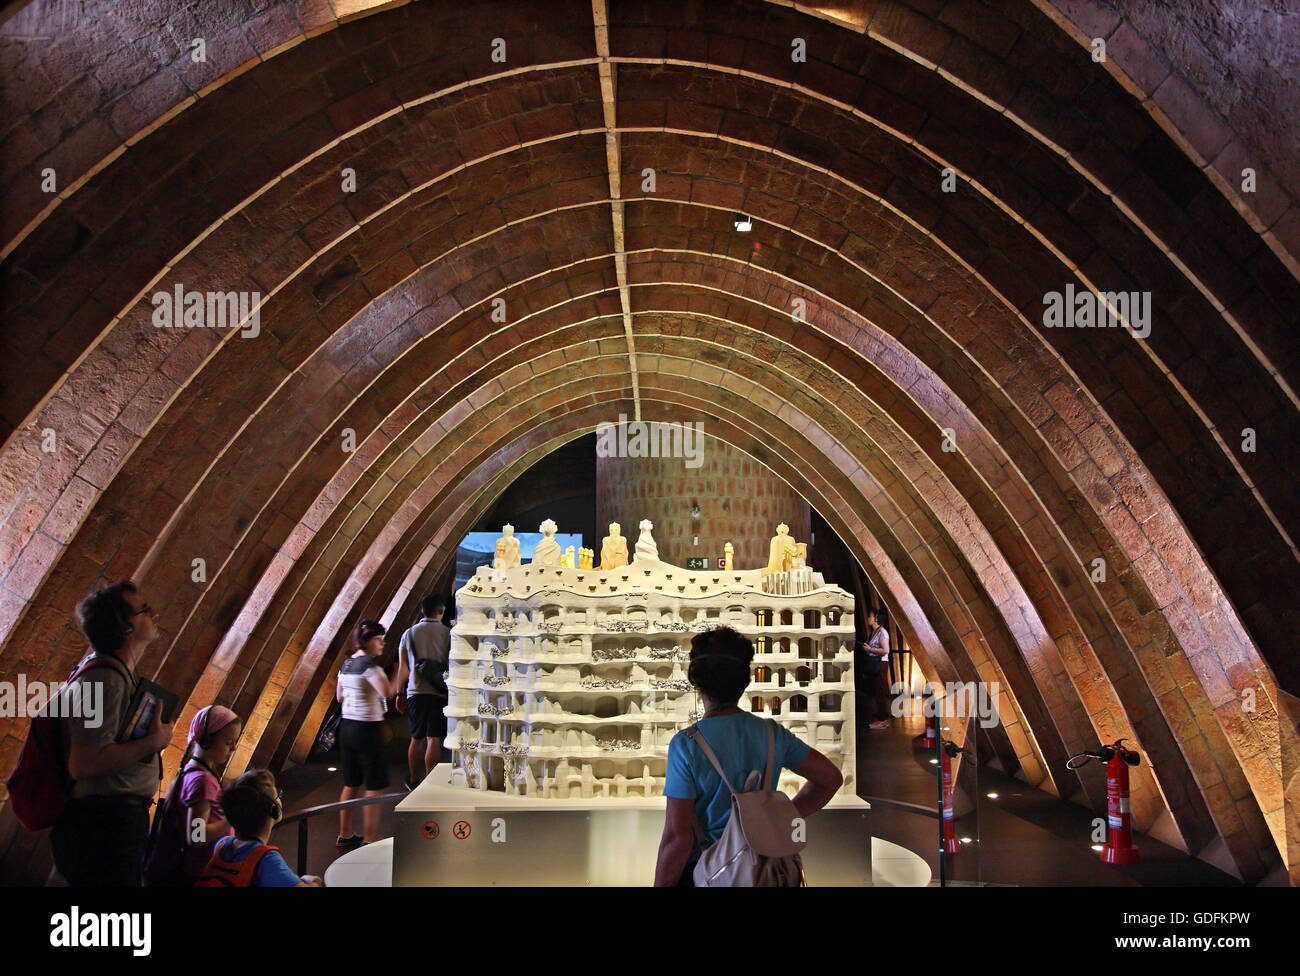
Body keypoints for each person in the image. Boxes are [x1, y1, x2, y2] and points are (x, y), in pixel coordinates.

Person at [654, 626, 843, 886]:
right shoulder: (772, 733)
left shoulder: (686, 744)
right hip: (762, 869)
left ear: (696, 681)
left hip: (707, 872)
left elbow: (678, 837)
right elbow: (829, 779)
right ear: (744, 681)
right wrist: (778, 818)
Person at [51, 580, 173, 886]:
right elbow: (86, 763)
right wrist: (154, 742)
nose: (154, 614)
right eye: (144, 610)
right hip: (105, 825)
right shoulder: (102, 680)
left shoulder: (111, 674)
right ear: (125, 628)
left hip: (111, 822)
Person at [143, 704, 241, 886]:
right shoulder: (202, 781)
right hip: (203, 872)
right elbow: (196, 836)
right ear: (207, 740)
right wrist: (234, 819)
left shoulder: (195, 771)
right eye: (228, 742)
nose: (234, 747)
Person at [336, 619, 404, 848]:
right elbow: (388, 692)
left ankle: (345, 833)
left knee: (351, 782)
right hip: (368, 729)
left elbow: (340, 697)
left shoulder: (346, 665)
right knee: (374, 786)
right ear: (366, 641)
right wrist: (398, 673)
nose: (382, 643)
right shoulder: (370, 667)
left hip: (347, 728)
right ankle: (370, 836)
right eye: (378, 639)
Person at [196, 770, 321, 886]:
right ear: (274, 810)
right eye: (278, 796)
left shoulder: (222, 844)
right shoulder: (266, 858)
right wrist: (314, 882)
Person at [395, 595, 450, 791]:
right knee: (434, 738)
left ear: (422, 611)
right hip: (438, 693)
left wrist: (399, 694)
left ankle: (413, 779)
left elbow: (403, 668)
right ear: (441, 612)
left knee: (415, 738)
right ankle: (431, 782)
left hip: (415, 692)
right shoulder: (448, 634)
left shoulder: (408, 634)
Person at [859, 609, 892, 730]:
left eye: (870, 616)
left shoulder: (882, 632)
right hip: (874, 664)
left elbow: (886, 650)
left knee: (880, 691)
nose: (868, 618)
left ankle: (882, 720)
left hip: (880, 664)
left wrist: (870, 650)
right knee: (876, 691)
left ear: (876, 618)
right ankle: (880, 717)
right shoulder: (874, 632)